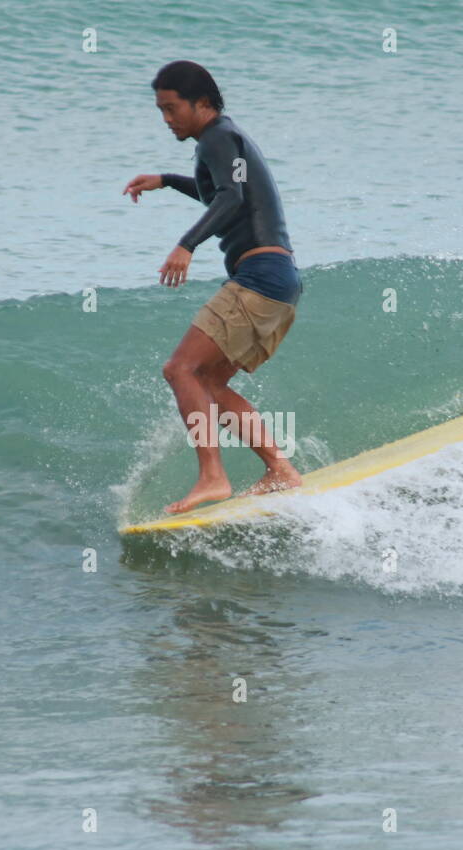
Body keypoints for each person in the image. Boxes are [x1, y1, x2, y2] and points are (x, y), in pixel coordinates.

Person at [123, 61, 304, 515]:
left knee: (180, 369)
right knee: (207, 382)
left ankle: (212, 477)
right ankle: (280, 470)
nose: (166, 119)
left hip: (258, 277)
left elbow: (230, 197)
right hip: (279, 281)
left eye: (171, 108)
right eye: (160, 110)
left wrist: (186, 245)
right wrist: (167, 180)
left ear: (201, 103)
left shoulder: (218, 138)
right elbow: (224, 193)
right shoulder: (227, 137)